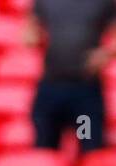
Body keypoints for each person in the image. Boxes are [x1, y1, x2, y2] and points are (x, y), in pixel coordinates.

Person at [28, 0, 116, 154]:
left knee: (89, 148)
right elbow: (31, 30)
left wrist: (105, 54)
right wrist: (33, 36)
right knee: (45, 152)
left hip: (84, 92)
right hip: (51, 88)